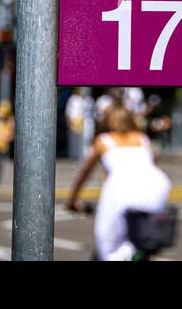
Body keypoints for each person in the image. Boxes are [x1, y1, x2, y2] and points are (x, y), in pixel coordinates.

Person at [66, 103, 172, 261]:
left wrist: (72, 199)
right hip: (155, 187)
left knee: (106, 247)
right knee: (140, 241)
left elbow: (84, 174)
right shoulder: (142, 139)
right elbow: (151, 166)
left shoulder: (104, 141)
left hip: (120, 190)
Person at [65, 87, 86, 160]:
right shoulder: (72, 99)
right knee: (73, 139)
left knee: (79, 139)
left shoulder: (81, 99)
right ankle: (73, 155)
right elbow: (68, 111)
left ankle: (79, 155)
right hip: (73, 120)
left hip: (79, 120)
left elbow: (83, 111)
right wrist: (69, 121)